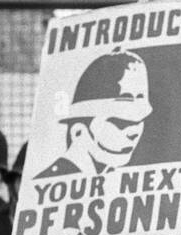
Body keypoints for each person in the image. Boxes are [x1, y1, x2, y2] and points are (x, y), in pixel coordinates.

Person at [36, 49, 151, 178]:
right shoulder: (51, 181)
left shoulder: (110, 176)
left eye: (139, 121)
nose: (134, 133)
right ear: (78, 132)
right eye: (120, 122)